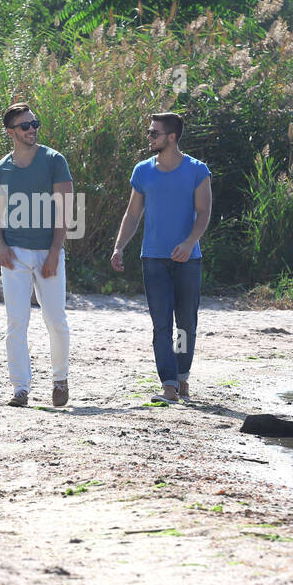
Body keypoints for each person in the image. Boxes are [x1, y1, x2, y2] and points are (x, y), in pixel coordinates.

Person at [110, 112, 212, 402]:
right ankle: (168, 384)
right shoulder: (143, 171)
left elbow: (203, 212)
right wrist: (119, 247)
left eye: (154, 133)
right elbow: (132, 214)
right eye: (150, 132)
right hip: (153, 258)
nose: (150, 137)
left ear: (171, 137)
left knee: (185, 325)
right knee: (161, 324)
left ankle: (182, 378)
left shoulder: (197, 170)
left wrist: (190, 242)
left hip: (188, 260)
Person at [0, 103, 73, 407]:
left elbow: (65, 210)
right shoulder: (1, 169)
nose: (32, 129)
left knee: (55, 320)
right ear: (11, 132)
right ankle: (20, 388)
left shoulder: (54, 161)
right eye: (25, 126)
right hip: (15, 254)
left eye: (34, 123)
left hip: (48, 251)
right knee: (16, 322)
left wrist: (54, 252)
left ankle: (60, 380)